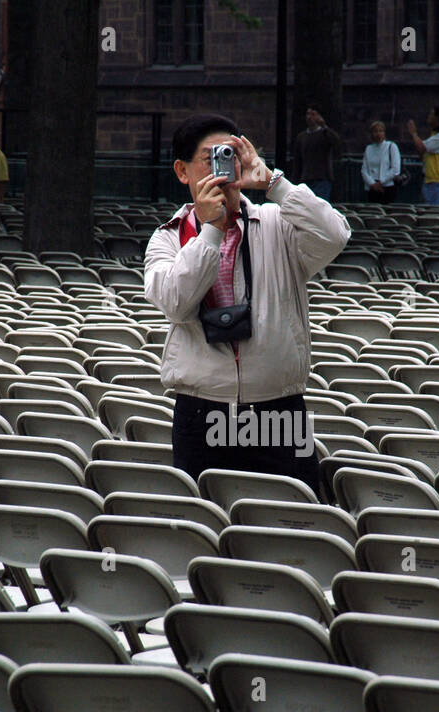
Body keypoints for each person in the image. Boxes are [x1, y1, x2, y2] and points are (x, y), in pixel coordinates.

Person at [144, 113, 351, 498]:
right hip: (201, 412)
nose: (225, 165)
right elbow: (175, 302)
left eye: (232, 153)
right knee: (211, 531)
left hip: (278, 409)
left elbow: (335, 235)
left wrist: (273, 182)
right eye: (211, 157)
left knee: (296, 522)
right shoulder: (168, 239)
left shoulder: (278, 222)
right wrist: (210, 230)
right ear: (182, 171)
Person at [406, 106, 439, 206]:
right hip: (431, 179)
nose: (429, 116)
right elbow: (422, 152)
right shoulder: (435, 135)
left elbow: (422, 147)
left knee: (434, 212)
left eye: (431, 114)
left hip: (438, 181)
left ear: (437, 118)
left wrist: (414, 134)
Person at [291, 105, 341, 202]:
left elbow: (336, 142)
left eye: (313, 114)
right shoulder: (301, 137)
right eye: (308, 114)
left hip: (322, 178)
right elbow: (297, 161)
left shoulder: (325, 134)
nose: (309, 117)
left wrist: (324, 126)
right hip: (305, 178)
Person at [361, 121, 401, 203]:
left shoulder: (391, 146)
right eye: (375, 131)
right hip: (372, 187)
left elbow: (395, 169)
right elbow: (364, 169)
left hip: (387, 186)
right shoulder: (368, 148)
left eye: (380, 131)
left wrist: (381, 182)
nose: (378, 134)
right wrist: (372, 183)